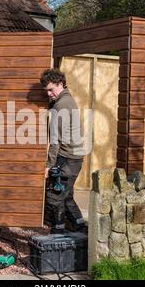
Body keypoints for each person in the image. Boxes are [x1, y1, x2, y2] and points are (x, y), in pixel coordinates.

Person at [40, 68, 87, 234]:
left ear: (60, 84)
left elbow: (55, 140)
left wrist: (49, 165)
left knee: (54, 197)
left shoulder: (62, 105)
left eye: (51, 90)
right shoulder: (66, 100)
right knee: (66, 196)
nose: (49, 94)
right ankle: (81, 227)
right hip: (73, 158)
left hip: (67, 159)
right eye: (46, 91)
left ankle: (58, 233)